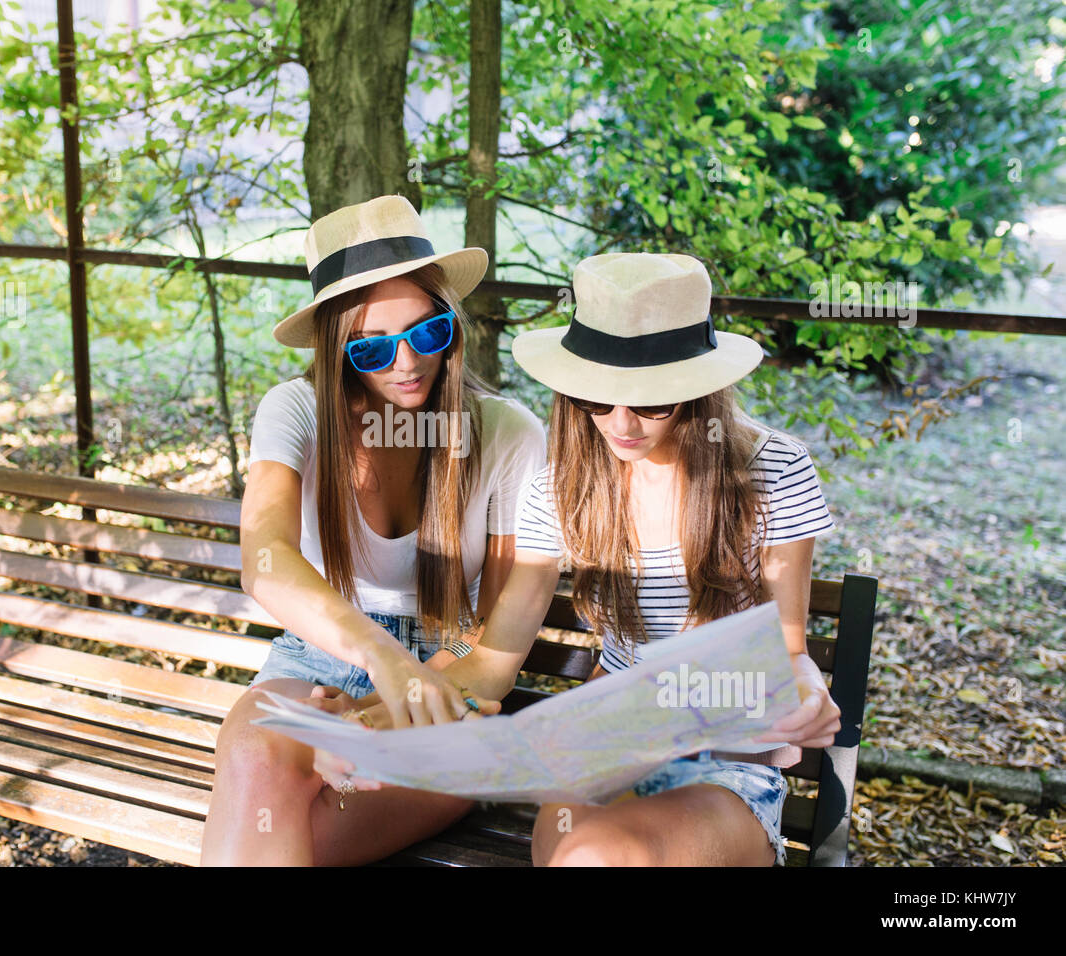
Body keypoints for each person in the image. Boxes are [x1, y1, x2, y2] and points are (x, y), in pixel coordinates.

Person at [326, 252, 841, 866]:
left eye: (651, 403)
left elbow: (788, 652)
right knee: (585, 853)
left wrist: (807, 691)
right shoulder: (560, 486)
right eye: (599, 400)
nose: (620, 425)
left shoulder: (772, 469)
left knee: (597, 857)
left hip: (723, 762)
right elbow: (493, 657)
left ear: (698, 391)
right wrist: (378, 719)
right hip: (605, 746)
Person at [199, 195, 547, 866]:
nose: (407, 362)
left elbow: (494, 646)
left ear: (451, 325)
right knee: (255, 757)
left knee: (281, 830)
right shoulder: (296, 412)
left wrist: (374, 722)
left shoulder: (508, 434)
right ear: (336, 348)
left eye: (426, 333)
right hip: (317, 657)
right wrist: (380, 662)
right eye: (372, 346)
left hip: (454, 683)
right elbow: (264, 558)